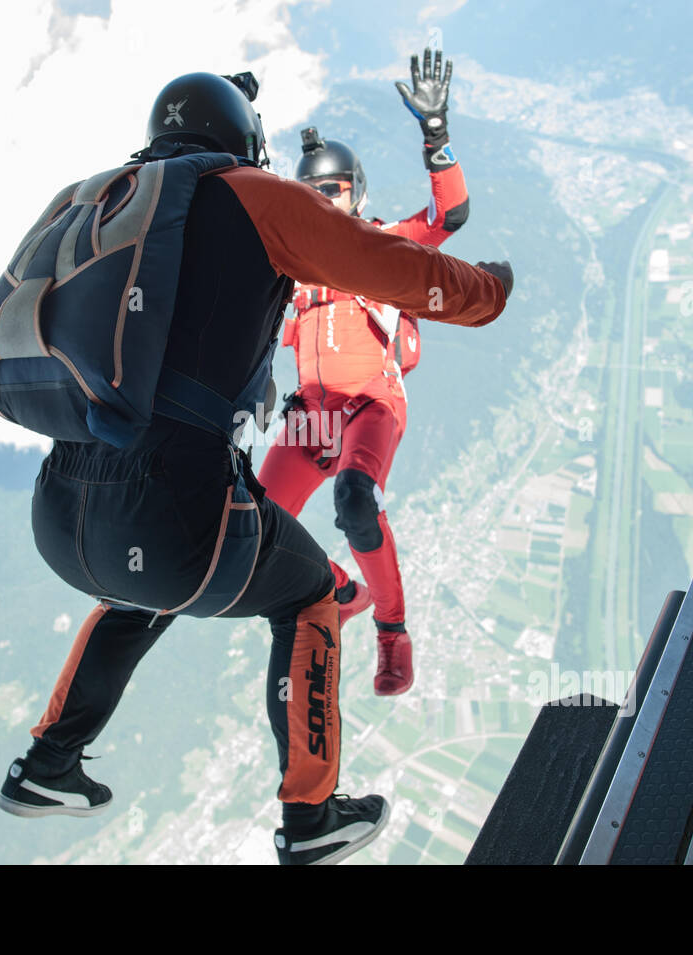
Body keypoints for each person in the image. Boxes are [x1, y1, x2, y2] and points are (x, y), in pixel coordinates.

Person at [0, 71, 512, 865]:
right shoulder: (256, 195)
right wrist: (489, 294)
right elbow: (405, 269)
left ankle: (45, 765)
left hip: (62, 516)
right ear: (246, 143)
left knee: (138, 597)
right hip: (172, 522)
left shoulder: (100, 200)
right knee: (310, 594)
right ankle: (312, 815)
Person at [258, 47, 481, 696]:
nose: (325, 202)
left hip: (369, 406)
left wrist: (436, 136)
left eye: (335, 190)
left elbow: (449, 217)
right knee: (255, 529)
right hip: (314, 415)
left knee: (356, 499)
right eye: (312, 194)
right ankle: (344, 591)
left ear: (358, 194)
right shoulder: (289, 271)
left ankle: (392, 631)